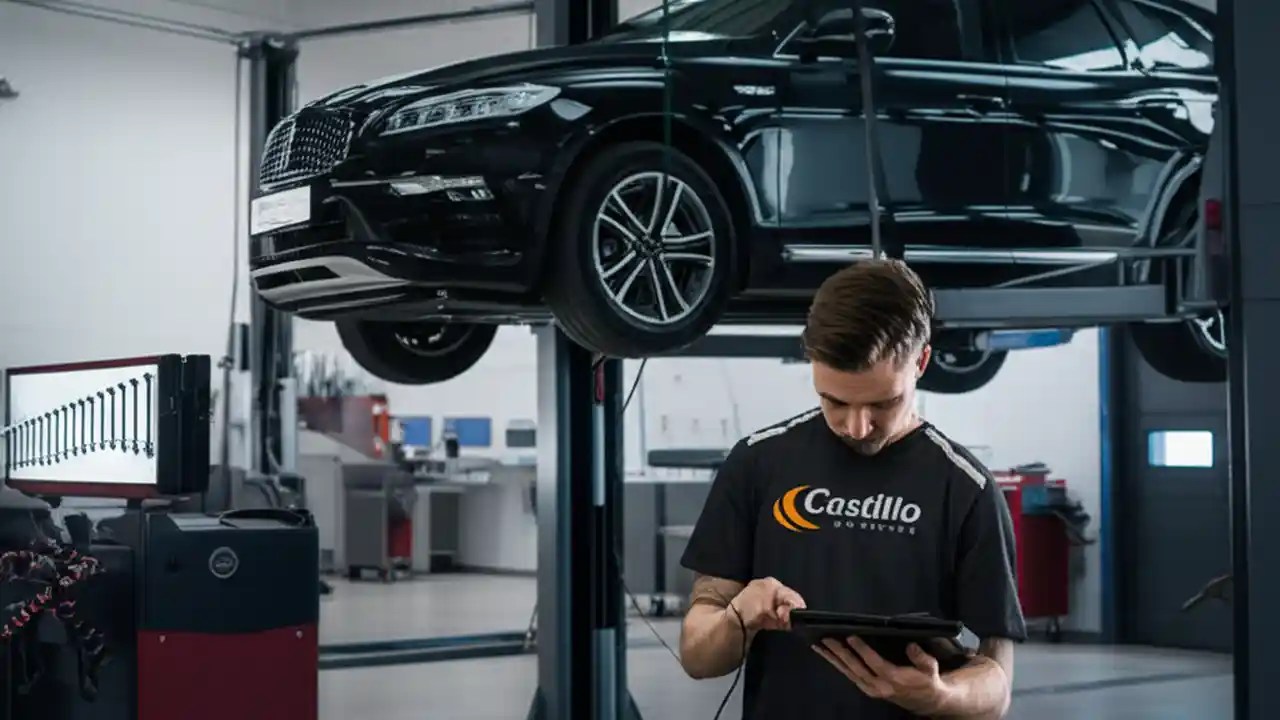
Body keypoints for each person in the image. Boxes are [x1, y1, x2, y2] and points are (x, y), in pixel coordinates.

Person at [677, 259, 1026, 719]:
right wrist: (739, 615)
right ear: (813, 364)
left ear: (921, 362)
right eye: (835, 401)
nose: (857, 427)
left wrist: (941, 696)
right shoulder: (758, 463)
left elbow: (996, 684)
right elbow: (697, 657)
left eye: (883, 403)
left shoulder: (966, 489)